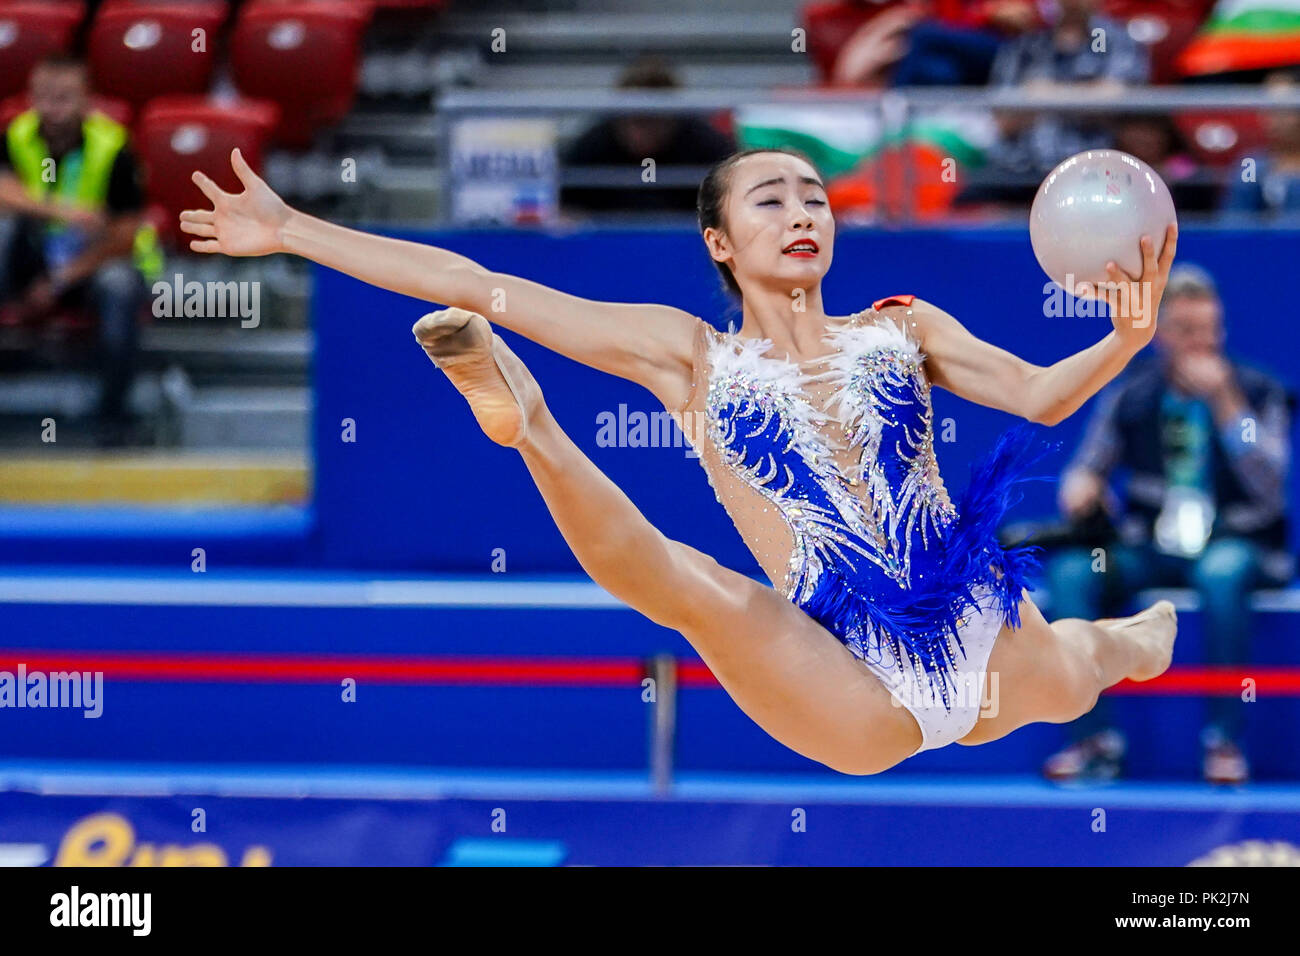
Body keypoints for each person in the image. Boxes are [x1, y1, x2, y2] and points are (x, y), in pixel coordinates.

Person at [178, 146, 1179, 774]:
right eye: (770, 202)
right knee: (690, 587)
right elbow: (475, 280)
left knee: (1084, 667)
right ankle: (530, 422)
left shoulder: (901, 327)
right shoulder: (689, 354)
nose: (801, 215)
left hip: (975, 620)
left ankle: (1136, 640)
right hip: (840, 673)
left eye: (815, 199)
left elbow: (1040, 393)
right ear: (719, 241)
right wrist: (291, 230)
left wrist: (1123, 341)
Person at [1042, 264, 1292, 785]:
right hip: (1151, 543)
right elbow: (1090, 463)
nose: (1203, 342)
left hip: (1236, 542)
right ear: (1159, 335)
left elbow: (1270, 482)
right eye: (1187, 331)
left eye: (1211, 330)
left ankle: (1224, 741)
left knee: (1223, 574)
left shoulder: (1257, 391)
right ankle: (1095, 741)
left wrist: (1225, 403)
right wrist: (1082, 484)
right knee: (1072, 573)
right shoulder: (1132, 393)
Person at [0, 54, 160, 444]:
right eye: (45, 98)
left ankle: (113, 418)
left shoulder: (114, 146)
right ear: (32, 98)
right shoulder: (17, 133)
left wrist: (58, 280)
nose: (53, 109)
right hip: (33, 260)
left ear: (87, 100)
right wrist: (65, 211)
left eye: (65, 99)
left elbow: (124, 236)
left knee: (119, 286)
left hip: (95, 266)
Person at [560, 56, 734, 215]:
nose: (645, 133)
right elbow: (564, 210)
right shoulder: (593, 146)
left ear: (674, 118)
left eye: (654, 121)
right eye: (636, 121)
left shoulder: (706, 146)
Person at [1221, 68, 1300, 217]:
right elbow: (1235, 221)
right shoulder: (1250, 164)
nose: (1272, 115)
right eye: (1267, 105)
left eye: (1283, 107)